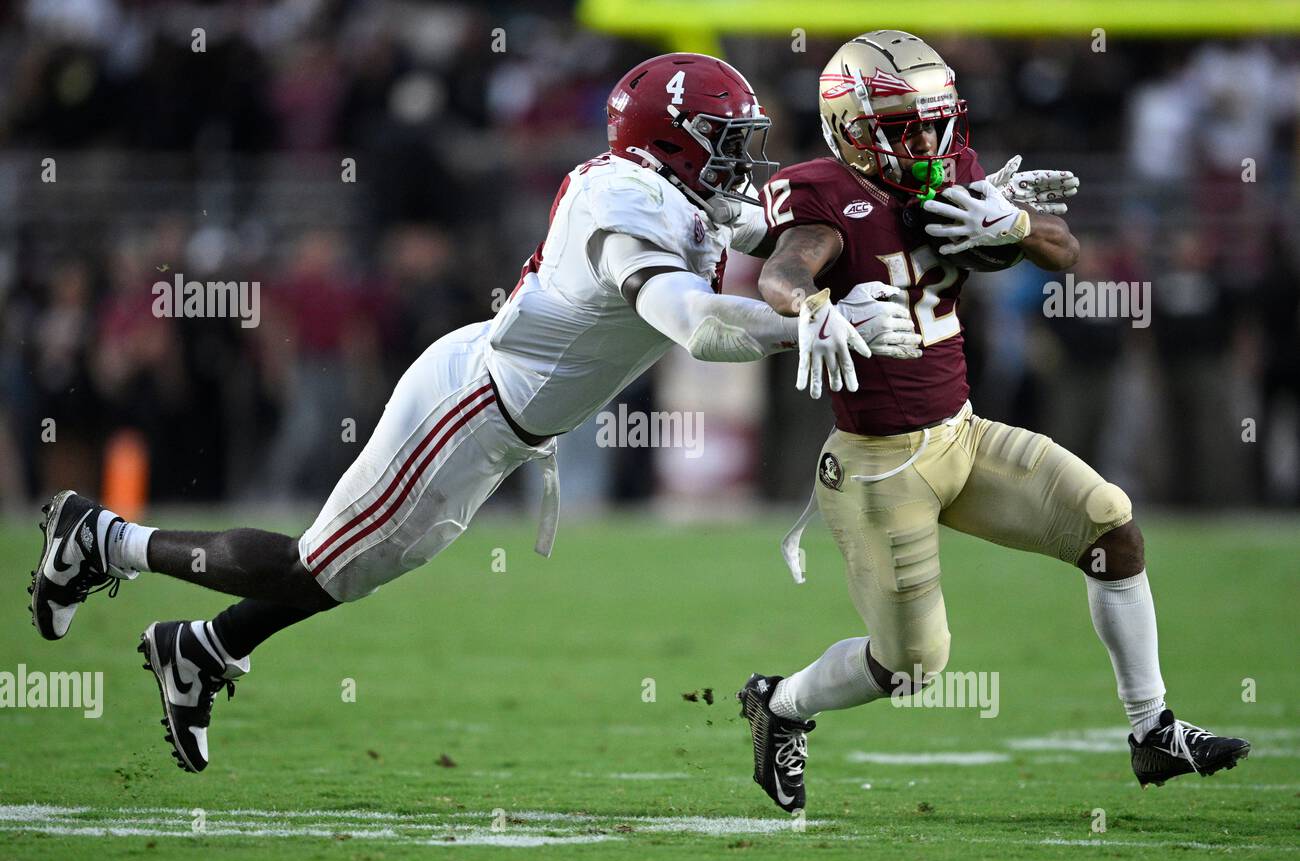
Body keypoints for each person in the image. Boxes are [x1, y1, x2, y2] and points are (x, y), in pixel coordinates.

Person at [29, 52, 923, 774]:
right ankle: (102, 541)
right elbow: (694, 325)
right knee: (317, 564)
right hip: (469, 412)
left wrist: (934, 209)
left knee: (349, 571)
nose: (740, 160)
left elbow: (790, 220)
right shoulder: (623, 205)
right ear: (672, 143)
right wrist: (812, 324)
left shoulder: (672, 193)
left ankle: (199, 652)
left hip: (500, 416)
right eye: (725, 141)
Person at [736, 30, 1250, 813]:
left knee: (1111, 528)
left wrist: (1013, 228)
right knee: (910, 664)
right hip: (878, 465)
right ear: (851, 127)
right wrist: (816, 307)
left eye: (937, 121)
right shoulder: (825, 196)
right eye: (906, 127)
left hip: (964, 437)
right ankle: (779, 705)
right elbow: (782, 270)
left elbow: (1065, 250)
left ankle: (1152, 731)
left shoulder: (956, 171)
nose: (929, 143)